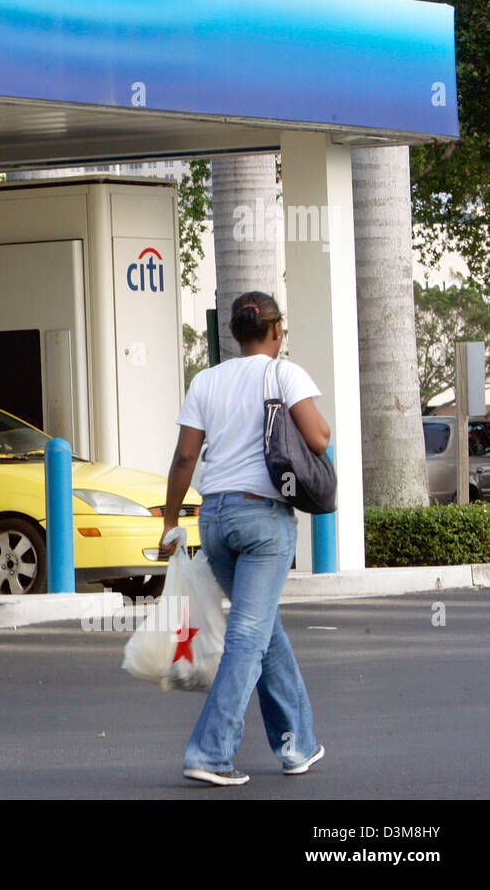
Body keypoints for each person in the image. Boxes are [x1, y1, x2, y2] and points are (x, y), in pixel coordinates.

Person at [159, 292, 330, 787]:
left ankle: (297, 743)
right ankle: (210, 752)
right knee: (249, 637)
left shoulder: (206, 380)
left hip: (215, 519)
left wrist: (170, 522)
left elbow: (184, 460)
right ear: (276, 330)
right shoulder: (284, 373)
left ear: (234, 334)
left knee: (263, 631)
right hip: (263, 520)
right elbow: (319, 439)